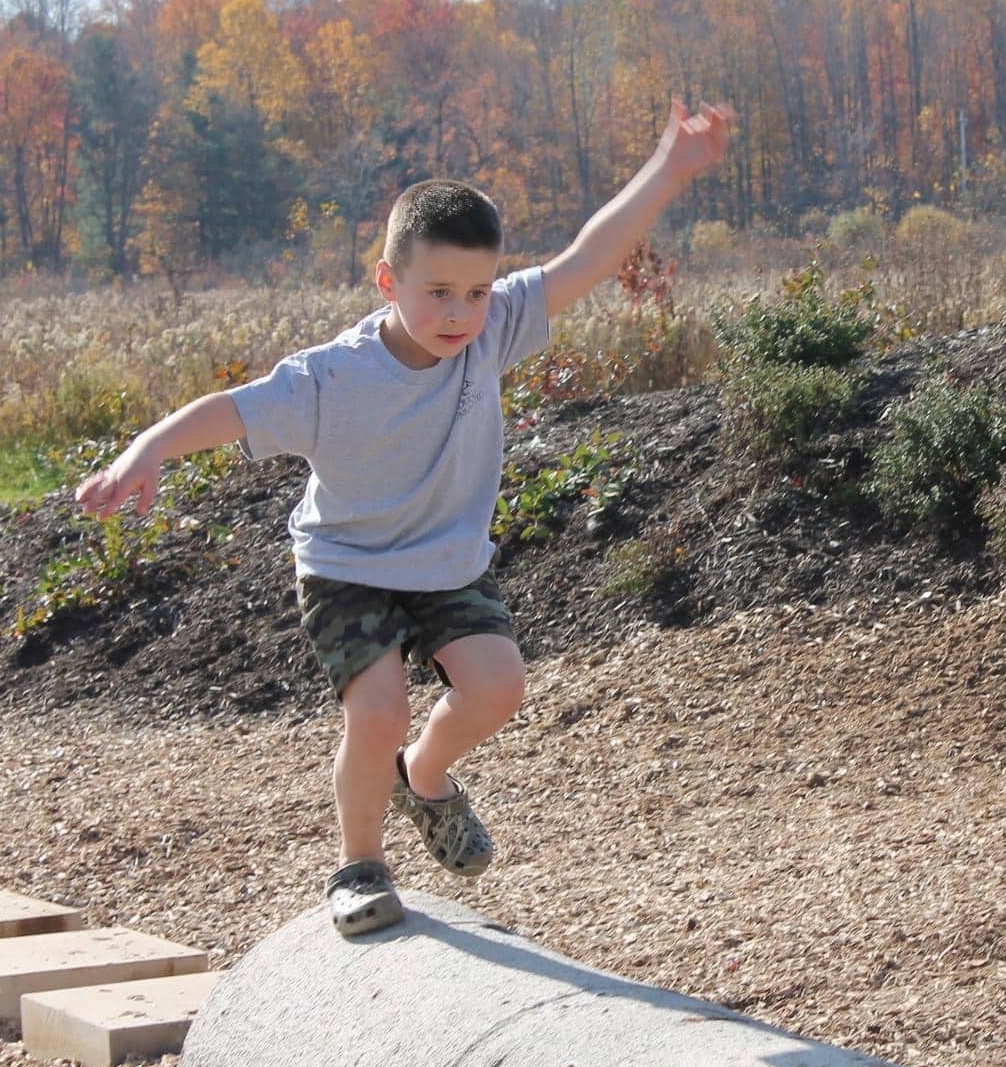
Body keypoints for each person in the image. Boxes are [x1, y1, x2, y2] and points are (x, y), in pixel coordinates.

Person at [76, 102, 735, 936]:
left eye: (477, 290)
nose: (461, 312)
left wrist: (669, 168)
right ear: (387, 282)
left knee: (499, 687)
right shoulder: (329, 379)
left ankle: (422, 772)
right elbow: (228, 411)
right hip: (346, 564)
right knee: (377, 707)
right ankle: (359, 866)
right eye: (438, 293)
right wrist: (147, 451)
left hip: (444, 564)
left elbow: (588, 257)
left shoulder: (492, 329)